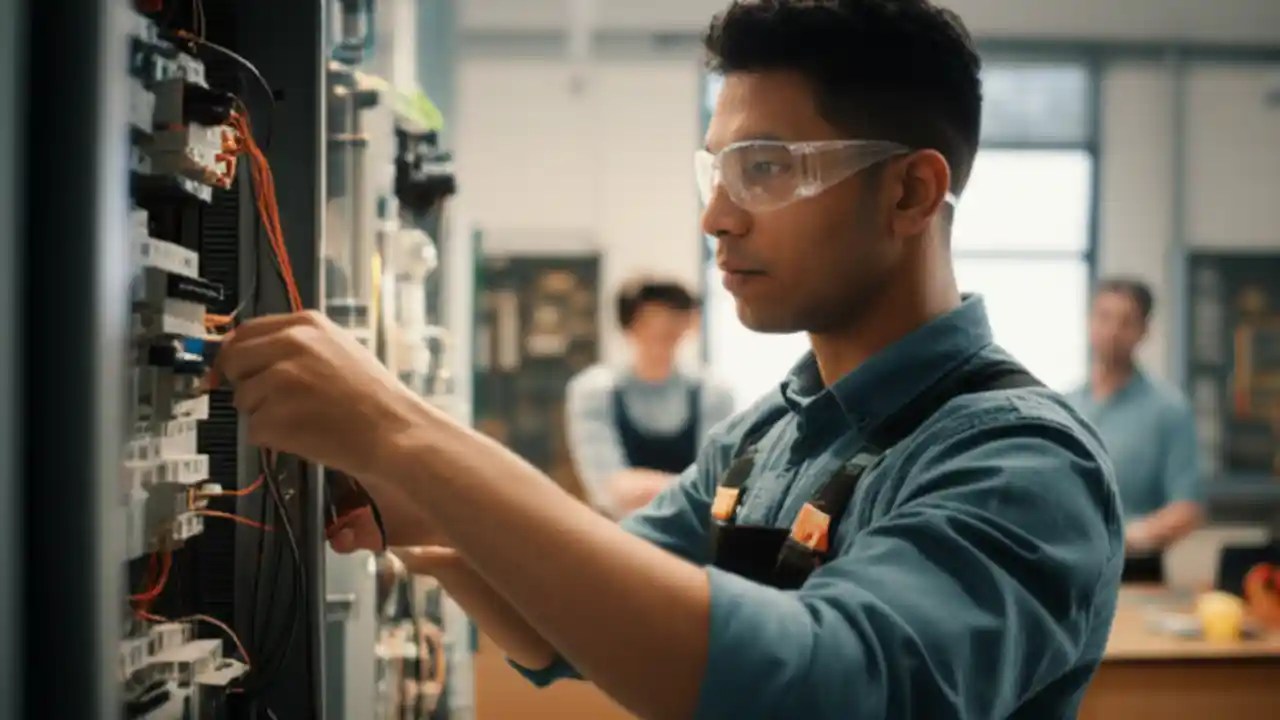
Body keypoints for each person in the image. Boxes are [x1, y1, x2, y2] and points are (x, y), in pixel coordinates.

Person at [213, 1, 1123, 717]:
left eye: (766, 168)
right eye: (716, 172)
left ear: (911, 193)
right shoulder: (768, 437)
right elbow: (566, 623)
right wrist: (436, 520)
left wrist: (406, 434)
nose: (717, 217)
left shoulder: (1019, 461)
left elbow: (822, 687)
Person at [1067, 278, 1204, 584]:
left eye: (1126, 322)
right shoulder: (1064, 407)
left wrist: (1123, 538)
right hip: (1066, 573)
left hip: (1135, 576)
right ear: (1089, 322)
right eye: (1104, 317)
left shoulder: (1169, 410)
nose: (1112, 331)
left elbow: (1187, 509)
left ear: (1144, 330)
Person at [565, 277, 735, 517]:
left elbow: (713, 484)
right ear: (629, 324)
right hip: (615, 531)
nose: (662, 329)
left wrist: (641, 485)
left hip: (692, 533)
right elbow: (608, 488)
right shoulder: (593, 391)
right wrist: (687, 487)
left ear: (689, 324)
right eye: (652, 320)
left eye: (673, 319)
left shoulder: (714, 393)